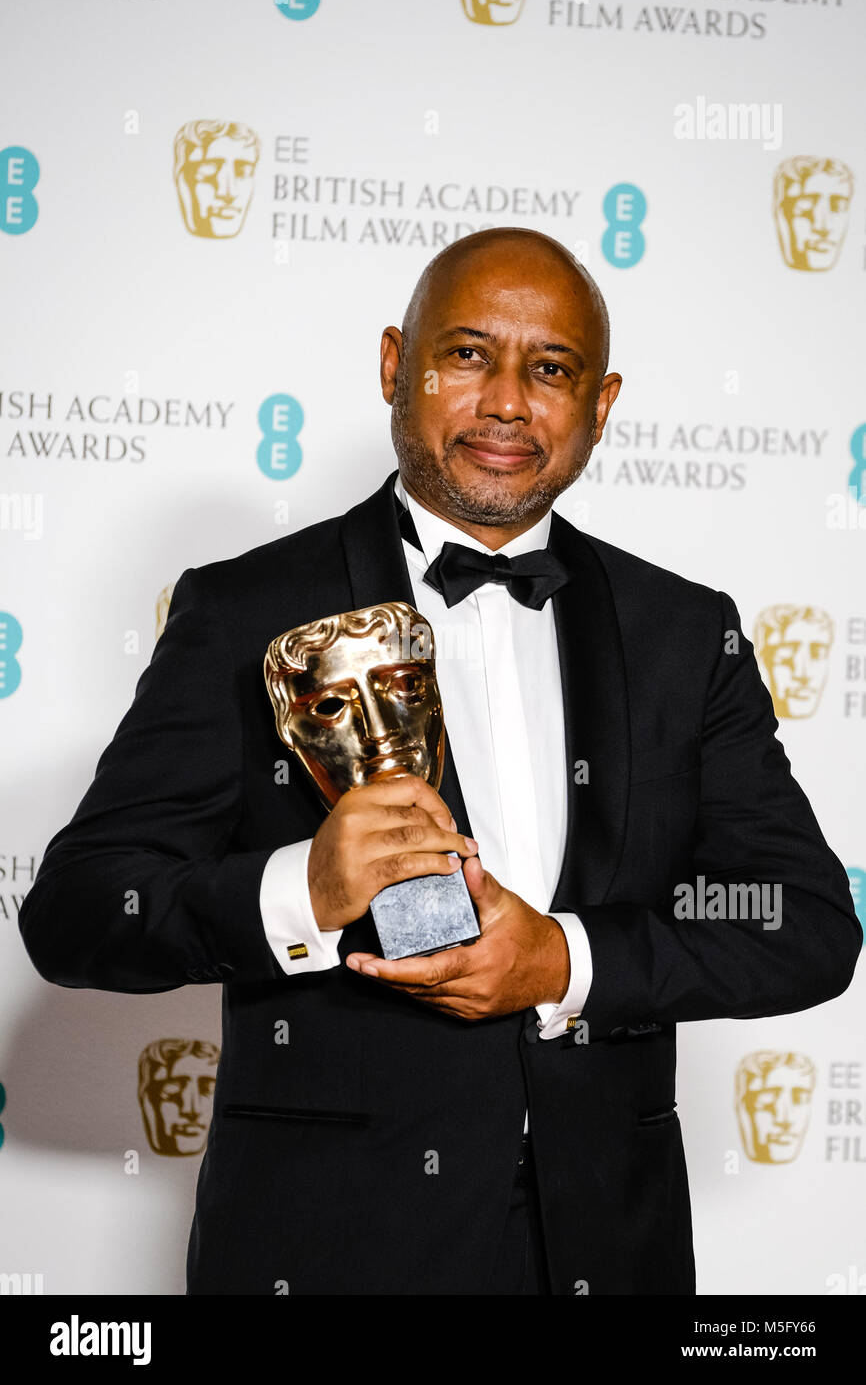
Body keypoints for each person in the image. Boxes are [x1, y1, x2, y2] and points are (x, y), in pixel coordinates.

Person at [19, 227, 860, 1296]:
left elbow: (798, 924)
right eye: (466, 354)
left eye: (548, 369)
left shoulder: (683, 635)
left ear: (598, 405)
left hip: (606, 1253)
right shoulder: (246, 611)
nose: (507, 401)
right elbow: (82, 910)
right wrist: (300, 891)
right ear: (392, 364)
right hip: (326, 1256)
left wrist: (562, 961)